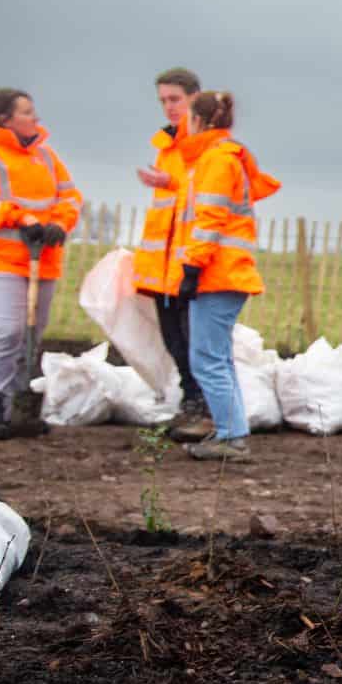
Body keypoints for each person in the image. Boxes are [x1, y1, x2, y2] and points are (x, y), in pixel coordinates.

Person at [0, 88, 83, 439]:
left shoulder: (46, 156)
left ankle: (19, 406)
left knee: (31, 335)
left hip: (42, 258)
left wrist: (59, 224)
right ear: (5, 119)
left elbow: (70, 197)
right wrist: (19, 218)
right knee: (8, 329)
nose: (35, 118)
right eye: (26, 112)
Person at [172, 91, 281, 460]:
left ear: (198, 121)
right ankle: (230, 433)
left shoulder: (216, 161)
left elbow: (210, 220)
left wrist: (192, 266)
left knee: (206, 358)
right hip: (226, 273)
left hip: (218, 273)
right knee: (217, 356)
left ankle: (231, 437)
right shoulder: (225, 157)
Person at [134, 67, 212, 442]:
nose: (169, 107)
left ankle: (204, 407)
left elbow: (206, 194)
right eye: (163, 100)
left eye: (175, 99)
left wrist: (172, 183)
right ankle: (190, 401)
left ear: (195, 98)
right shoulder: (166, 148)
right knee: (174, 340)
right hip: (163, 263)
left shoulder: (205, 144)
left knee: (194, 339)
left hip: (190, 261)